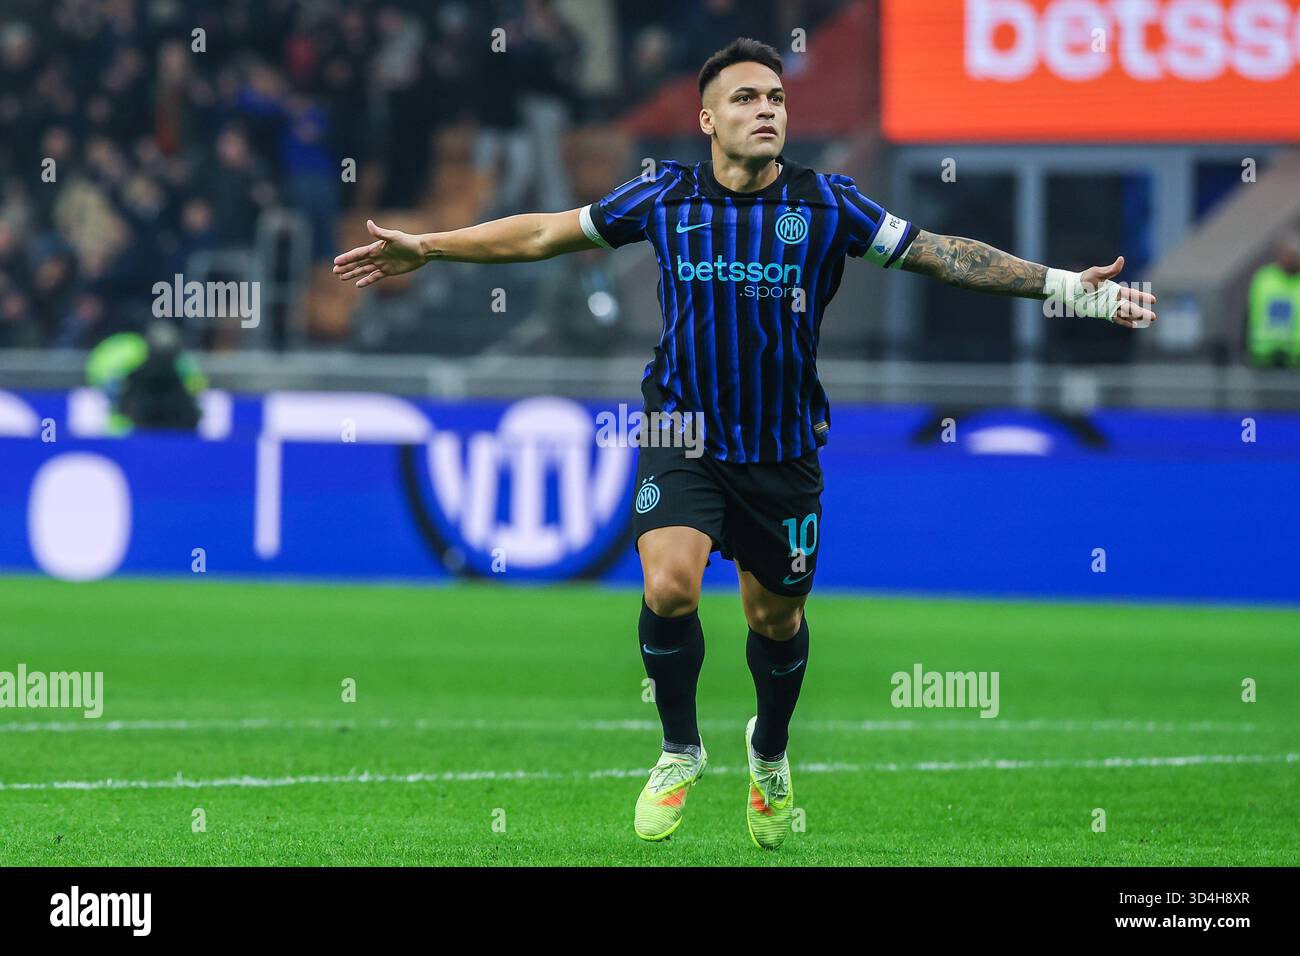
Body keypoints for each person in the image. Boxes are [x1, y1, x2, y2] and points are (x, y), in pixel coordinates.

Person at [333, 38, 1157, 850]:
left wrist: (1063, 289)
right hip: (681, 427)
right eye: (746, 99)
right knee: (670, 586)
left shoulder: (827, 204)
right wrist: (431, 247)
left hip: (783, 447)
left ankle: (768, 754)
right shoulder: (662, 197)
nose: (766, 111)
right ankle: (679, 749)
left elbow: (940, 256)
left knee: (774, 618)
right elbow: (548, 233)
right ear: (706, 118)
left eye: (775, 99)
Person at [1247, 232, 1300, 368]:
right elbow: (1250, 315)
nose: (1292, 259)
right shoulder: (1264, 279)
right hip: (1264, 357)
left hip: (1295, 360)